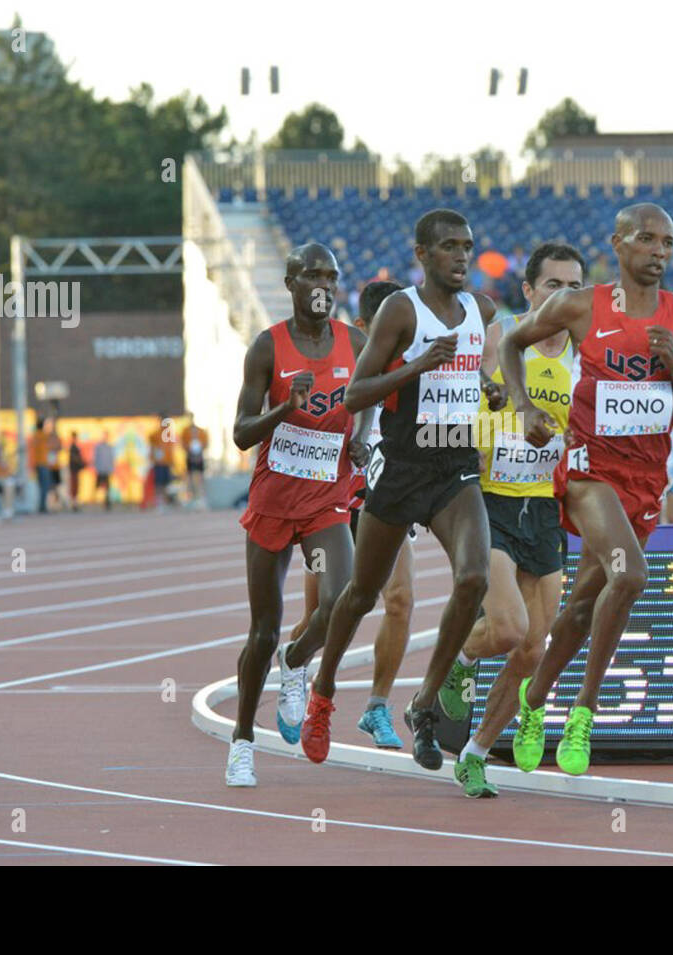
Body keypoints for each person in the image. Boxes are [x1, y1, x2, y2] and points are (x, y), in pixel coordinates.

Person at [499, 203, 673, 776]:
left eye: (668, 241)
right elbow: (509, 345)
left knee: (580, 608)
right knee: (632, 575)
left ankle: (532, 703)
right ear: (617, 244)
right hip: (590, 472)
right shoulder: (577, 306)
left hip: (645, 480)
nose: (659, 251)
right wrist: (522, 406)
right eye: (646, 239)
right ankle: (584, 713)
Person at [300, 208, 502, 771]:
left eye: (467, 246)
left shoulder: (479, 311)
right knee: (361, 596)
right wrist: (415, 367)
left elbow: (464, 368)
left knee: (474, 577)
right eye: (449, 247)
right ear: (422, 254)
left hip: (456, 464)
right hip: (402, 468)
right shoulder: (399, 311)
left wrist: (488, 387)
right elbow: (355, 394)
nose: (462, 256)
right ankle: (324, 692)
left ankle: (424, 702)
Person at [440, 241, 585, 797]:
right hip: (490, 501)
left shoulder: (585, 355)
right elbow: (458, 389)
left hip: (545, 510)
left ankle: (475, 753)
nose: (565, 296)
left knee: (531, 651)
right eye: (553, 285)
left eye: (575, 286)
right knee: (507, 629)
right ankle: (458, 659)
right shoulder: (501, 338)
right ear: (529, 291)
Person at [225, 243, 372, 788]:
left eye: (331, 277)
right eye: (313, 275)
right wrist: (285, 408)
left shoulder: (354, 343)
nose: (323, 285)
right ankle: (243, 741)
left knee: (342, 597)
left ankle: (298, 659)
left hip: (326, 499)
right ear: (290, 283)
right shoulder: (268, 348)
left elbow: (374, 396)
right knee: (260, 631)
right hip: (271, 502)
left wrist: (363, 439)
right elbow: (241, 433)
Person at [281, 280, 415, 751]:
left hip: (391, 497)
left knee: (399, 599)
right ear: (362, 327)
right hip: (334, 506)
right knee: (326, 610)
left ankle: (377, 707)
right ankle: (295, 664)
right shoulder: (335, 368)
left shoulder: (411, 370)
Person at [181, 415, 210, 506]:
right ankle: (191, 498)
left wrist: (199, 453)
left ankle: (201, 498)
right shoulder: (185, 431)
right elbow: (183, 444)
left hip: (199, 457)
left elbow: (205, 444)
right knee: (190, 478)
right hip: (190, 457)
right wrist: (190, 452)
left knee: (200, 477)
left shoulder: (201, 431)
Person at [147, 414, 172, 509]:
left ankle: (165, 502)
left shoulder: (169, 435)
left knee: (166, 483)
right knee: (158, 483)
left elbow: (171, 450)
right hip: (158, 463)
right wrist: (152, 459)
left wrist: (171, 461)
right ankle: (158, 502)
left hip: (166, 463)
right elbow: (152, 447)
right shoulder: (155, 434)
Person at [93, 432, 116, 510]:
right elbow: (96, 458)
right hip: (100, 469)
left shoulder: (109, 447)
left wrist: (112, 469)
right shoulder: (98, 447)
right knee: (99, 486)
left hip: (107, 470)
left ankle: (106, 501)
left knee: (107, 487)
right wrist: (96, 468)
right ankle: (97, 500)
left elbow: (111, 459)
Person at [67, 431, 85, 511]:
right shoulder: (73, 447)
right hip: (73, 470)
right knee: (74, 487)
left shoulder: (74, 447)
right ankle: (73, 504)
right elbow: (75, 458)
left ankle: (74, 503)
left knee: (75, 487)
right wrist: (81, 462)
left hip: (75, 470)